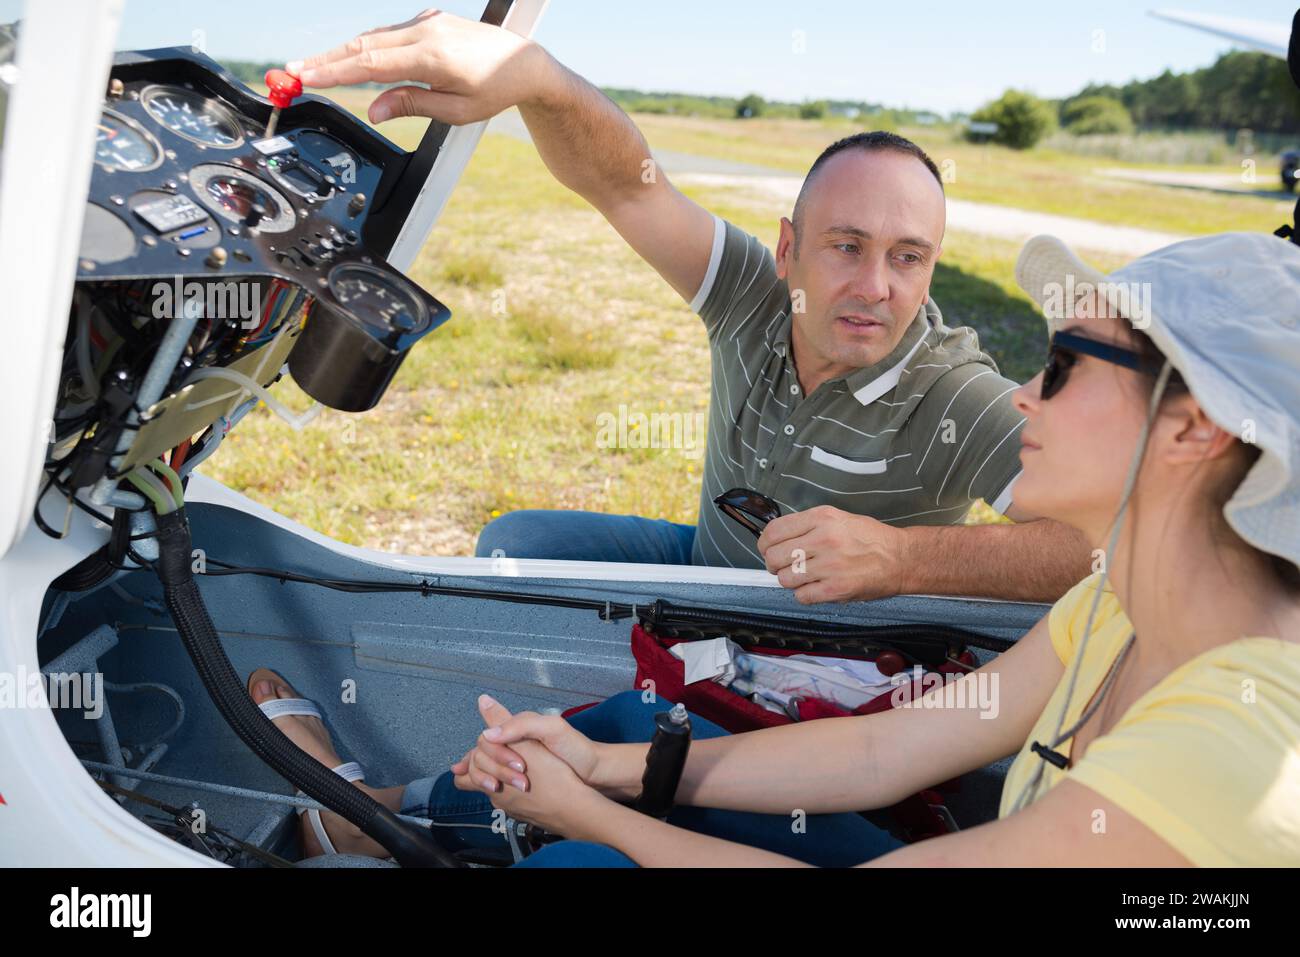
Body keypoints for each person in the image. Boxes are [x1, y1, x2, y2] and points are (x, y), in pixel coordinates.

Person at [250, 228, 1300, 866]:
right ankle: (373, 818)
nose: (1024, 390)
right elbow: (888, 749)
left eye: (1065, 365)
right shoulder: (1123, 600)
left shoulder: (1242, 750)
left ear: (1194, 425)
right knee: (631, 744)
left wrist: (596, 810)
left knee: (594, 853)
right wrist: (605, 768)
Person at [284, 9, 1092, 604]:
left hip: (828, 642)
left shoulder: (953, 392)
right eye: (846, 246)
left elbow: (1096, 548)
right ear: (788, 250)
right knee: (512, 546)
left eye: (907, 257)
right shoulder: (752, 293)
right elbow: (625, 184)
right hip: (702, 569)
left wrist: (904, 558)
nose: (877, 286)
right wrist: (538, 78)